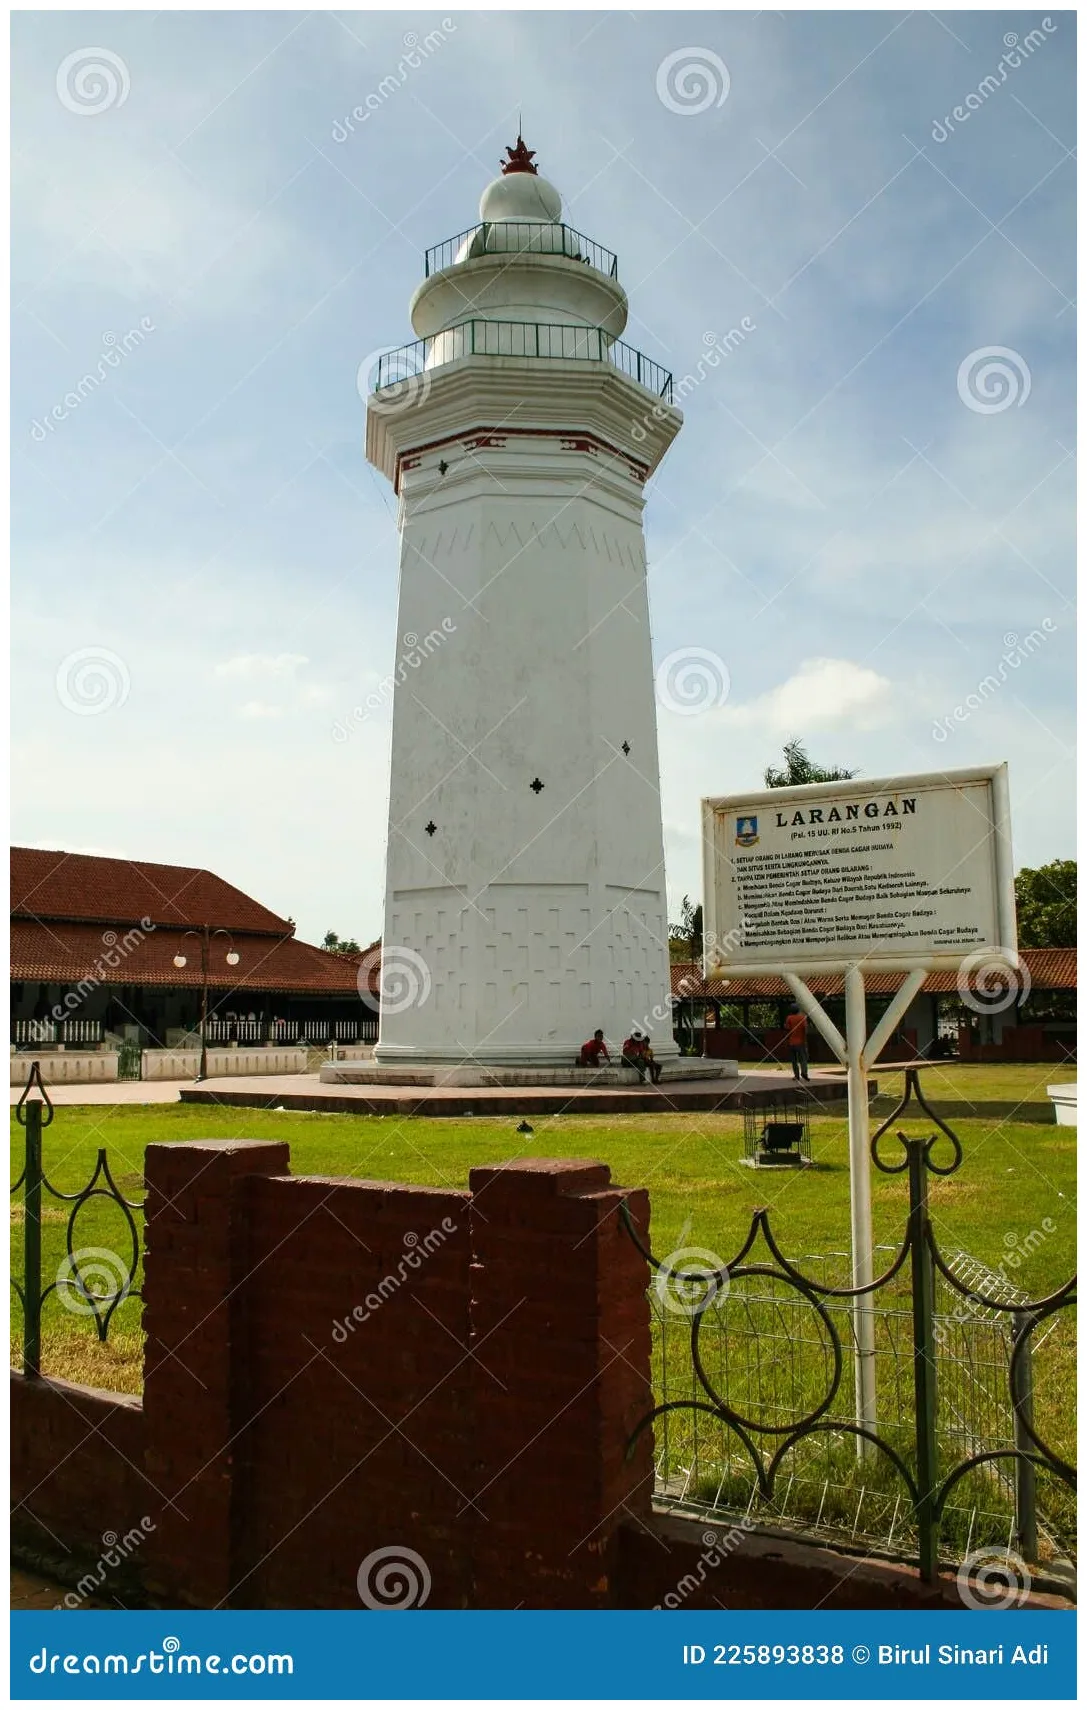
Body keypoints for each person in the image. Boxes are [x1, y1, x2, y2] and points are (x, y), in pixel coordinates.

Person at [784, 1007, 810, 1081]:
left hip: (792, 1042)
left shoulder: (789, 1018)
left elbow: (787, 1028)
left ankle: (796, 1075)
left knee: (794, 1060)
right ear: (798, 1010)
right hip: (801, 1042)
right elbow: (805, 1029)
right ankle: (804, 1072)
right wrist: (805, 1040)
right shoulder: (802, 1018)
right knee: (803, 1059)